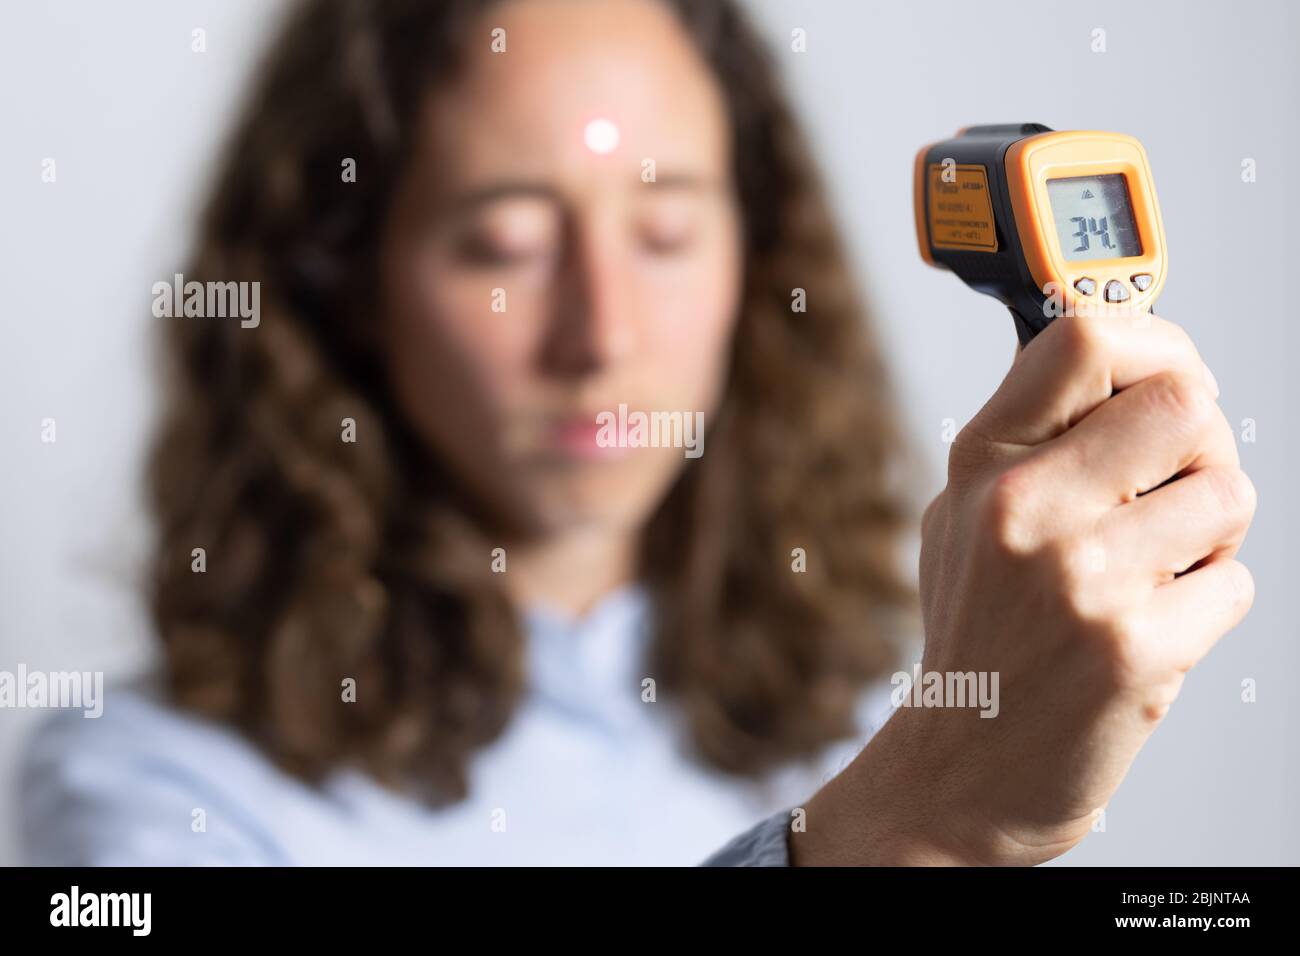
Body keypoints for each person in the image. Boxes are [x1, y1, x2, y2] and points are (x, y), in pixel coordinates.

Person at [21, 0, 1255, 867]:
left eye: (663, 235)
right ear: (342, 280)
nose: (600, 332)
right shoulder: (149, 794)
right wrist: (916, 826)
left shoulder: (883, 712)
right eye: (506, 243)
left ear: (753, 263)